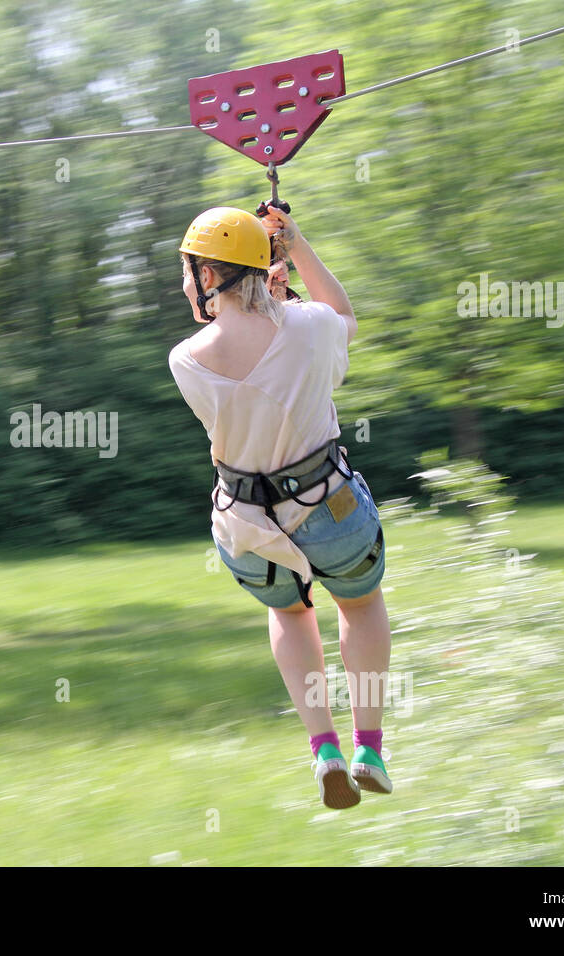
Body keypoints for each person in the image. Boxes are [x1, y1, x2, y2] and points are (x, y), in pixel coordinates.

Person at [168, 205, 392, 810]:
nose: (185, 284)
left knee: (292, 615)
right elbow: (342, 315)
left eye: (190, 273)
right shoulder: (311, 325)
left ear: (211, 277)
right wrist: (294, 249)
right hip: (328, 506)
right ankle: (368, 746)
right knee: (360, 604)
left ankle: (324, 750)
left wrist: (271, 281)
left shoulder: (186, 359)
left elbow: (255, 355)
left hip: (245, 527)